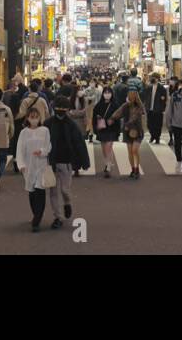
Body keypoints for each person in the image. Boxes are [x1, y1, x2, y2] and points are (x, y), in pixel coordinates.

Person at [46, 96, 90, 227]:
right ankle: (57, 217)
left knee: (65, 189)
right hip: (51, 162)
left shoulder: (71, 125)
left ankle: (67, 203)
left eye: (63, 109)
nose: (60, 112)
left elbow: (79, 143)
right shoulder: (48, 123)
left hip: (66, 162)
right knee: (53, 191)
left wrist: (84, 161)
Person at [16, 106, 51, 232]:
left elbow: (48, 146)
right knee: (31, 192)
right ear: (27, 118)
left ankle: (37, 219)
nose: (34, 119)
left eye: (36, 117)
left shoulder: (45, 130)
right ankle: (35, 214)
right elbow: (19, 150)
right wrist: (21, 165)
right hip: (28, 166)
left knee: (40, 191)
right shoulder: (23, 132)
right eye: (32, 117)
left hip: (41, 164)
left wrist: (41, 151)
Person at [111, 91, 146, 179]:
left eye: (131, 98)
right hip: (127, 132)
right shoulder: (125, 106)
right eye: (129, 98)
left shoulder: (140, 106)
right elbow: (118, 113)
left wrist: (127, 125)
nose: (129, 99)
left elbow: (135, 117)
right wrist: (112, 118)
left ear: (135, 98)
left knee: (134, 150)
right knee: (130, 151)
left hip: (138, 131)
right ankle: (133, 169)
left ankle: (137, 168)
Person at [92, 85, 122, 178]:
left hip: (112, 129)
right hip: (102, 128)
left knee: (109, 146)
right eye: (105, 93)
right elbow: (94, 116)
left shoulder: (115, 105)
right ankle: (107, 162)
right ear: (103, 94)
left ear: (112, 94)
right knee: (104, 148)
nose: (107, 95)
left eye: (109, 93)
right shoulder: (99, 105)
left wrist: (113, 121)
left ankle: (108, 166)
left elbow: (119, 117)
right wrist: (96, 121)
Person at [142, 74, 168, 145]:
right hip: (149, 109)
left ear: (158, 79)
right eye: (153, 78)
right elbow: (145, 96)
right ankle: (153, 135)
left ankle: (157, 138)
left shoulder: (162, 88)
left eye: (155, 78)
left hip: (158, 109)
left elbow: (164, 99)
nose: (154, 79)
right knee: (149, 124)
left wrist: (162, 109)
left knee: (158, 125)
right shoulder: (149, 87)